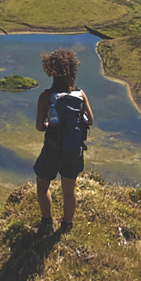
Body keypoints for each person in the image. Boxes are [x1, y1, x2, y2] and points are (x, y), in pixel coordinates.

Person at [33, 47, 94, 233]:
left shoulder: (46, 97)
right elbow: (90, 121)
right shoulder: (80, 94)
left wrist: (50, 125)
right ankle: (66, 226)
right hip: (74, 150)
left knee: (43, 186)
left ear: (51, 71)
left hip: (53, 149)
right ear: (73, 70)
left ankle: (47, 223)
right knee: (69, 190)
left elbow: (39, 127)